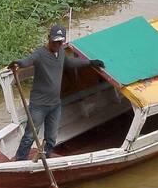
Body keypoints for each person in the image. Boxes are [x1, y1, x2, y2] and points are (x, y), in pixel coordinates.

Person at [9, 24, 104, 161]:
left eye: (60, 42)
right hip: (39, 105)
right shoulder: (40, 54)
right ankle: (20, 160)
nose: (57, 44)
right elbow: (27, 61)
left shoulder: (61, 53)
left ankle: (46, 158)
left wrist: (90, 63)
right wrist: (17, 63)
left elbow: (71, 63)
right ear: (49, 39)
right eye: (55, 41)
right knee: (30, 135)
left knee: (51, 137)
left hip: (55, 104)